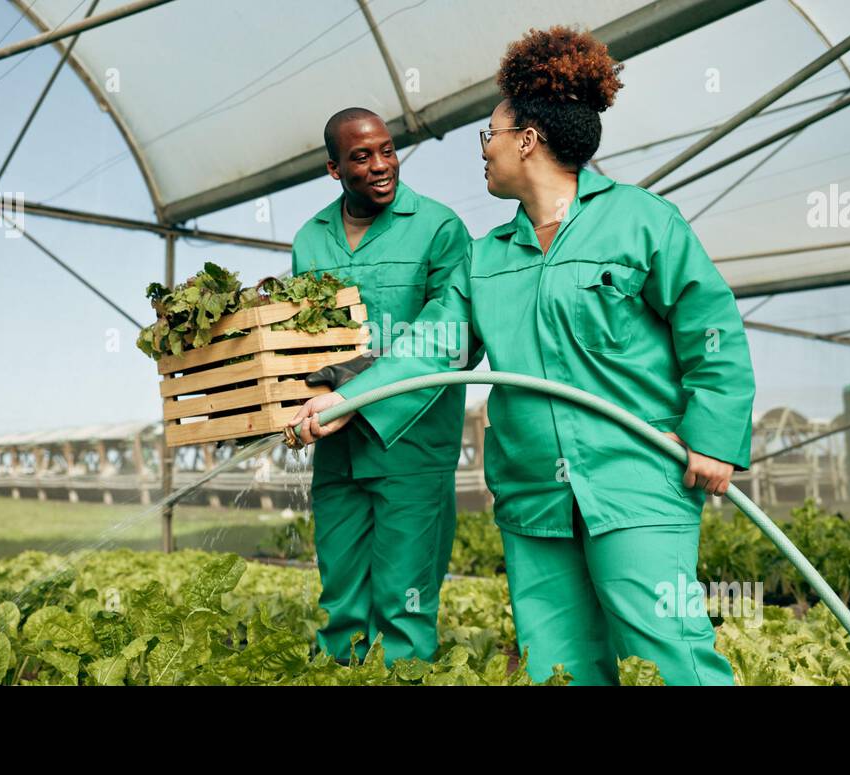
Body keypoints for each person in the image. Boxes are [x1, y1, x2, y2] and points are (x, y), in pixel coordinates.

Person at [290, 28, 755, 685]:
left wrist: (713, 434)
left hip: (636, 479)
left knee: (670, 650)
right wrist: (348, 396)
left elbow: (709, 326)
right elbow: (434, 341)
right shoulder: (486, 256)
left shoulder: (642, 221)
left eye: (491, 136)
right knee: (558, 665)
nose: (484, 152)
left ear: (527, 141)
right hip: (535, 495)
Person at [290, 107, 472, 664]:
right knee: (340, 596)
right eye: (361, 156)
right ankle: (342, 672)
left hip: (410, 444)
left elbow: (453, 336)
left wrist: (355, 395)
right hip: (338, 450)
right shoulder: (310, 238)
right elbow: (299, 338)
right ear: (333, 168)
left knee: (404, 602)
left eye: (387, 150)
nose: (380, 165)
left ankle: (405, 675)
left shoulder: (439, 227)